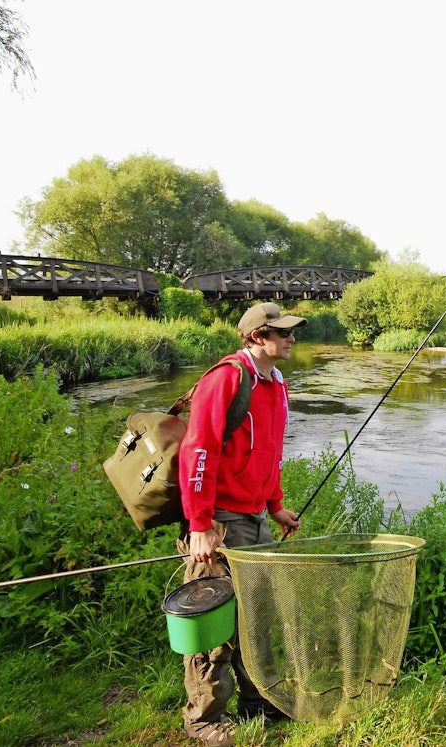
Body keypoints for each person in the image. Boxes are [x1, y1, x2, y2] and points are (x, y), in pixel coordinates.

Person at [176, 301, 305, 746]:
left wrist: (275, 505)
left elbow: (268, 451)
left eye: (292, 331)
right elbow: (198, 452)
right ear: (257, 337)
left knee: (257, 615)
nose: (291, 338)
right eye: (283, 332)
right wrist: (199, 525)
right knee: (214, 623)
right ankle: (204, 718)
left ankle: (259, 701)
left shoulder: (276, 382)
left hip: (254, 518)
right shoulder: (227, 378)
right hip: (219, 522)